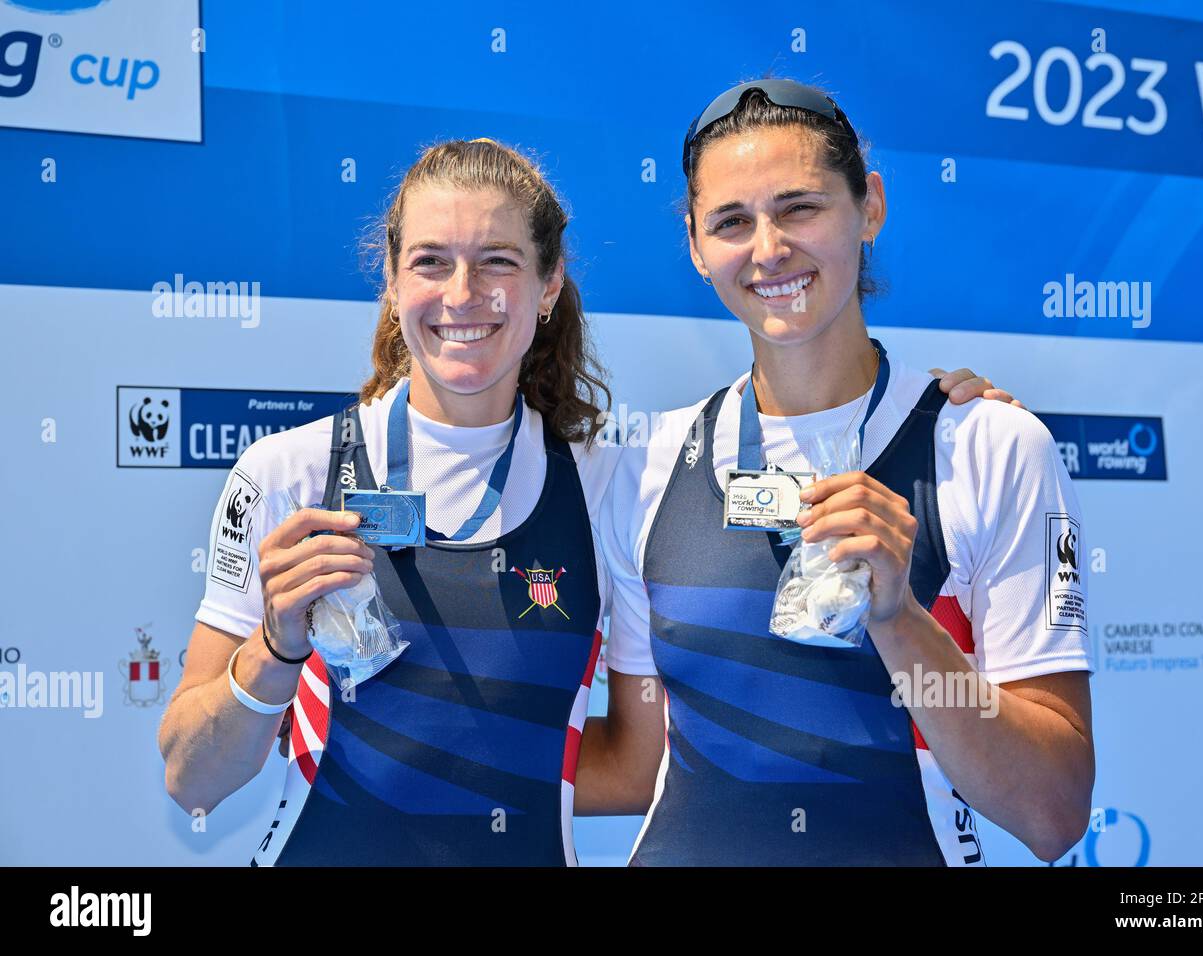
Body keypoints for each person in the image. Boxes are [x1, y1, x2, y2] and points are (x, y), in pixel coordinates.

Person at [158, 135, 1017, 866]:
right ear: (390, 279)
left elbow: (636, 766)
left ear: (550, 282)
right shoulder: (289, 473)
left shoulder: (614, 479)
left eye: (498, 262)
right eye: (431, 263)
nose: (463, 297)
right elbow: (191, 778)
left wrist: (944, 419)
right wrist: (274, 651)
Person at [586, 79, 1096, 866]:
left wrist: (899, 619)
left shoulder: (990, 446)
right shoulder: (648, 461)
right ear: (695, 245)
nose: (768, 249)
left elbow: (1053, 813)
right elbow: (630, 761)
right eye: (731, 222)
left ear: (871, 207)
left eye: (800, 208)